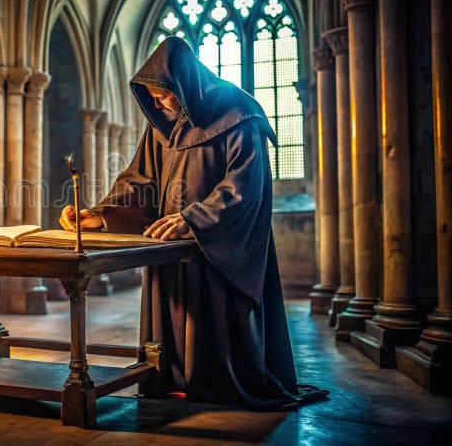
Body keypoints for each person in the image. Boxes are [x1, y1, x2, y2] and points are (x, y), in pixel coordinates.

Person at [59, 36, 326, 409]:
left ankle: (216, 382)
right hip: (168, 248)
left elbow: (245, 185)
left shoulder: (239, 113)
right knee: (172, 321)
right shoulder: (162, 127)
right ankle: (172, 377)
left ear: (184, 83)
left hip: (217, 249)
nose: (157, 102)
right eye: (151, 94)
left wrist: (194, 218)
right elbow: (140, 182)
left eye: (163, 93)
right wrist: (100, 215)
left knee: (212, 324)